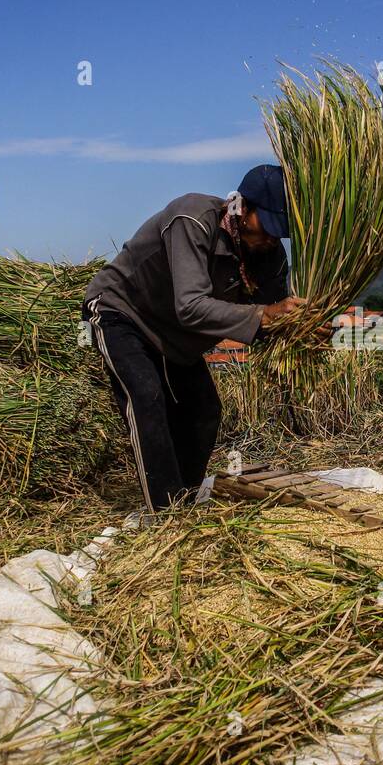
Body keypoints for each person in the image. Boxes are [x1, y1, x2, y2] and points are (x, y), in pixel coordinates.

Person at [82, 164, 304, 522]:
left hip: (176, 336)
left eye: (281, 232)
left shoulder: (268, 255)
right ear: (242, 207)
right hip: (123, 313)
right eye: (267, 225)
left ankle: (182, 499)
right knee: (146, 396)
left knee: (204, 411)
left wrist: (302, 328)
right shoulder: (192, 220)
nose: (271, 239)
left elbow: (271, 319)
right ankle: (165, 515)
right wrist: (265, 314)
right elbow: (191, 306)